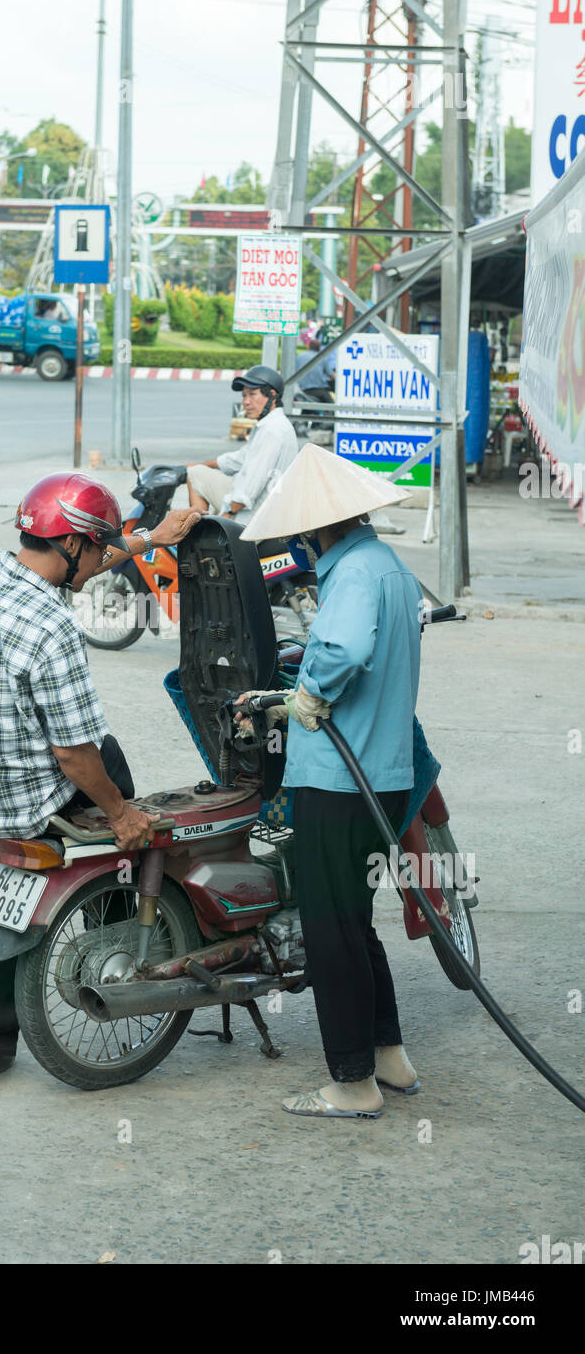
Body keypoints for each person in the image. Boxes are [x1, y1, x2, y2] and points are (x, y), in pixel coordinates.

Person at [0, 473, 200, 1090]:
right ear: (73, 546)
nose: (104, 559)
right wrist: (124, 816)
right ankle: (123, 949)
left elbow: (77, 559)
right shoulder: (51, 627)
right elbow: (74, 754)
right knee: (109, 766)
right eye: (98, 549)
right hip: (22, 800)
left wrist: (147, 539)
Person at [237, 444, 422, 1120]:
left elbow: (343, 650)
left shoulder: (350, 575)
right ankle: (387, 1057)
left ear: (313, 530)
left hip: (342, 782)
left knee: (328, 930)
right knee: (354, 924)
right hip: (385, 776)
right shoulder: (388, 568)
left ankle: (351, 1084)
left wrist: (309, 693)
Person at [186, 365, 298, 526]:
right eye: (244, 396)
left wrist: (227, 514)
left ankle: (199, 532)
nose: (246, 402)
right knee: (195, 470)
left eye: (252, 395)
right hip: (258, 504)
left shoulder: (272, 430)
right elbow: (238, 459)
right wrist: (200, 465)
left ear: (272, 395)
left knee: (193, 474)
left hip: (253, 514)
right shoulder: (269, 425)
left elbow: (252, 485)